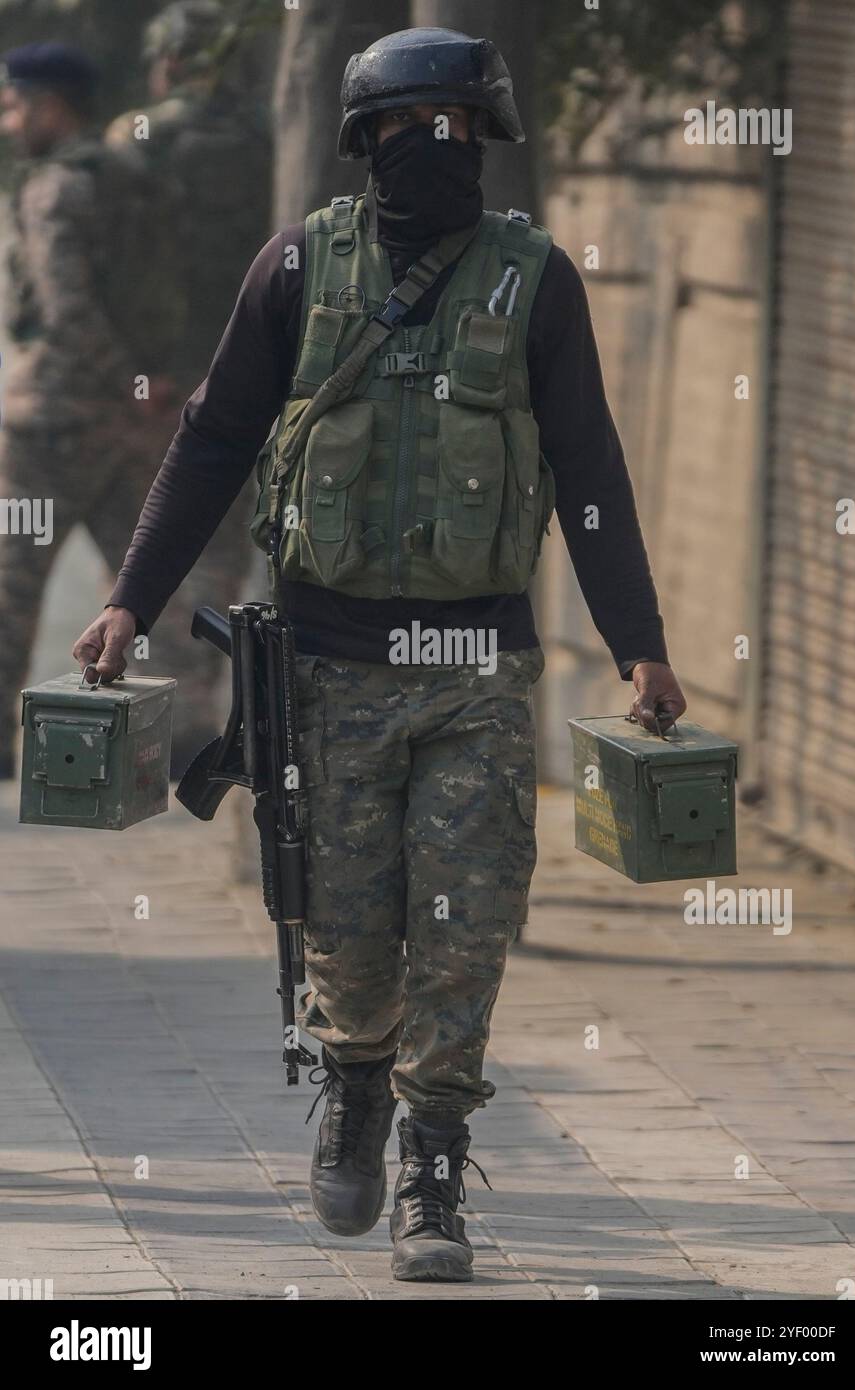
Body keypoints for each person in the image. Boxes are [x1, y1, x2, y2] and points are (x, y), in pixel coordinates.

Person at [73, 27, 686, 1283]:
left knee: (464, 920)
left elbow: (589, 470)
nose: (442, 150)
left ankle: (433, 1163)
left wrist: (643, 647)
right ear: (373, 141)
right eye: (420, 129)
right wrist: (131, 599)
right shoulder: (299, 264)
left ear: (485, 139)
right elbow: (212, 440)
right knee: (351, 930)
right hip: (328, 668)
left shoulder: (534, 281)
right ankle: (354, 1082)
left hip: (477, 670)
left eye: (463, 129)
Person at [105, 0, 273, 771]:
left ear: (167, 60)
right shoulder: (269, 138)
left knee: (155, 534)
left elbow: (117, 267)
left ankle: (153, 723)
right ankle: (203, 719)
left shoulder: (140, 139)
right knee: (224, 554)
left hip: (158, 383)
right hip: (253, 372)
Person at [0, 42, 169, 778]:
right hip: (139, 426)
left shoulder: (53, 187)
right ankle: (172, 750)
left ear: (48, 105)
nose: (7, 126)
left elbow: (66, 310)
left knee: (8, 593)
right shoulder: (136, 176)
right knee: (149, 588)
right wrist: (149, 387)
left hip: (50, 426)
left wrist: (122, 377)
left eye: (11, 107)